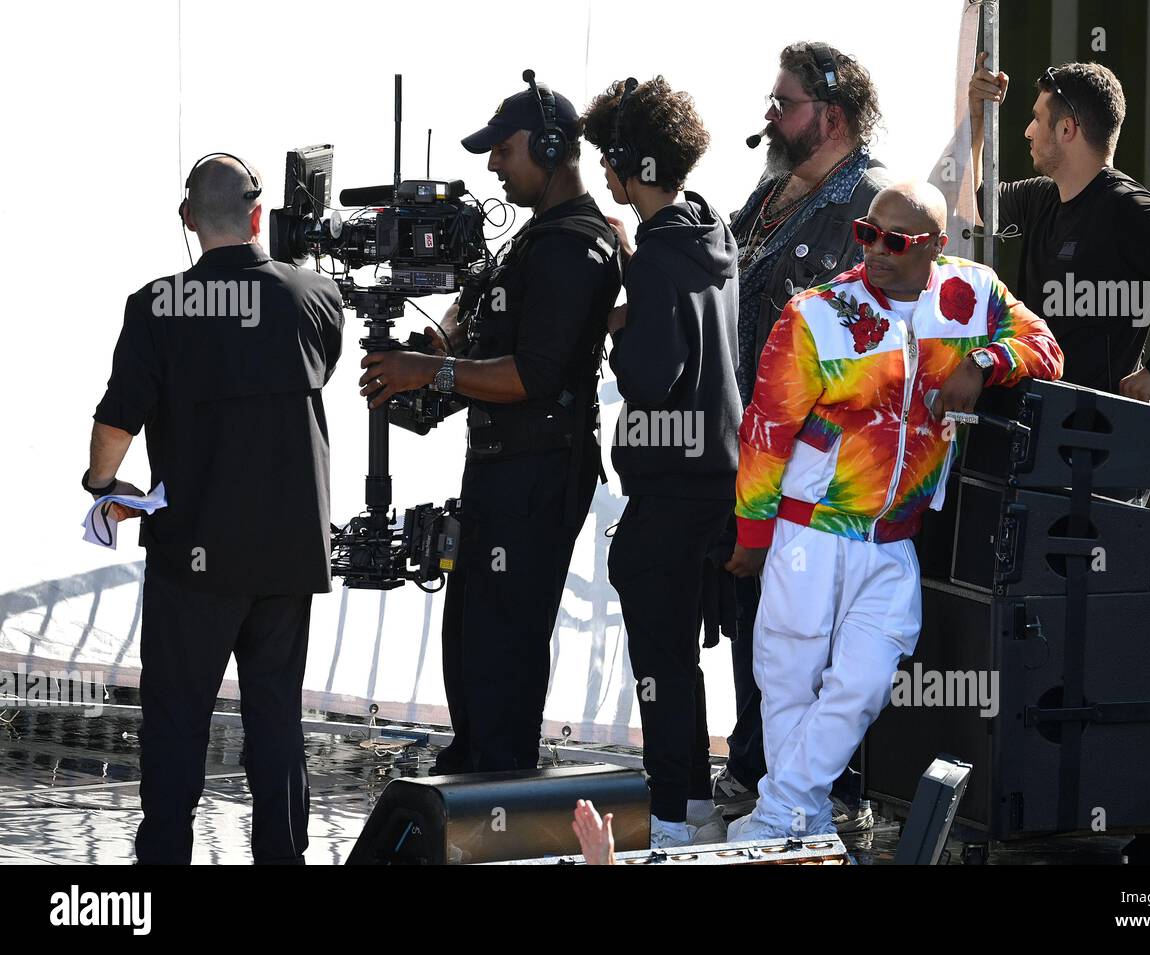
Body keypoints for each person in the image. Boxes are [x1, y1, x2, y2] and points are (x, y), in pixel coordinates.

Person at [724, 181, 1064, 840]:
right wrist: (753, 530)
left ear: (936, 245)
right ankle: (797, 819)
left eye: (897, 241)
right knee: (789, 682)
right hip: (809, 529)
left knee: (865, 683)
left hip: (894, 537)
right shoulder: (817, 313)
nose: (876, 250)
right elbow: (767, 427)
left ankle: (780, 813)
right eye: (867, 232)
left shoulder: (971, 295)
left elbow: (1046, 348)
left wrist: (985, 362)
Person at [360, 74, 621, 773]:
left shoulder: (573, 244)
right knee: (472, 637)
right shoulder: (539, 238)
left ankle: (501, 784)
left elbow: (534, 374)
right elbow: (483, 340)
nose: (493, 165)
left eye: (503, 150)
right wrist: (436, 350)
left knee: (502, 643)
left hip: (537, 473)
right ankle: (475, 768)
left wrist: (429, 371)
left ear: (551, 146)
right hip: (503, 470)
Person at [88, 153, 344, 863]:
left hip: (194, 555)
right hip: (288, 554)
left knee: (177, 721)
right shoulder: (317, 295)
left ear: (187, 220)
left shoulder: (156, 306)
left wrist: (101, 487)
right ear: (258, 217)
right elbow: (316, 359)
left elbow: (117, 424)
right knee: (276, 724)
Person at [716, 40, 891, 833]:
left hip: (825, 473)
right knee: (756, 626)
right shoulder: (767, 197)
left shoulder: (876, 205)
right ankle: (757, 772)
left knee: (812, 639)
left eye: (784, 102)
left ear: (834, 115)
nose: (771, 114)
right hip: (755, 455)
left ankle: (820, 796)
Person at [582, 76, 740, 848]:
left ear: (631, 164)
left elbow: (649, 375)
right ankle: (696, 800)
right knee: (683, 660)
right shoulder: (710, 233)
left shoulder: (654, 263)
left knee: (661, 658)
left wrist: (616, 317)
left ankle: (673, 813)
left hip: (669, 494)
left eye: (609, 158)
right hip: (720, 481)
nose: (602, 172)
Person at [968, 55, 1150, 399]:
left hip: (1092, 434)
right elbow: (971, 205)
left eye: (1037, 119)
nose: (1028, 131)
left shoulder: (1127, 207)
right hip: (1032, 415)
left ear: (1066, 129)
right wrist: (976, 117)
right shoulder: (1040, 195)